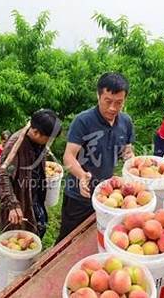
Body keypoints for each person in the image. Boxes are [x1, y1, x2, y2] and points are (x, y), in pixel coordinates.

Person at [55, 72, 135, 243]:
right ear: (98, 96)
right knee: (67, 240)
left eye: (119, 103)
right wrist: (81, 175)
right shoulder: (83, 121)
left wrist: (130, 159)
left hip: (106, 196)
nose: (113, 108)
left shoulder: (126, 122)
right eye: (108, 101)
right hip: (79, 195)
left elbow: (127, 151)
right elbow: (69, 156)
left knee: (96, 236)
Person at [0, 109, 62, 238]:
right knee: (20, 236)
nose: (49, 142)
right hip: (20, 198)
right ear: (36, 132)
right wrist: (12, 204)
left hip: (34, 196)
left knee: (40, 227)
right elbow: (3, 175)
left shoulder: (36, 140)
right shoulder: (16, 145)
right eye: (48, 138)